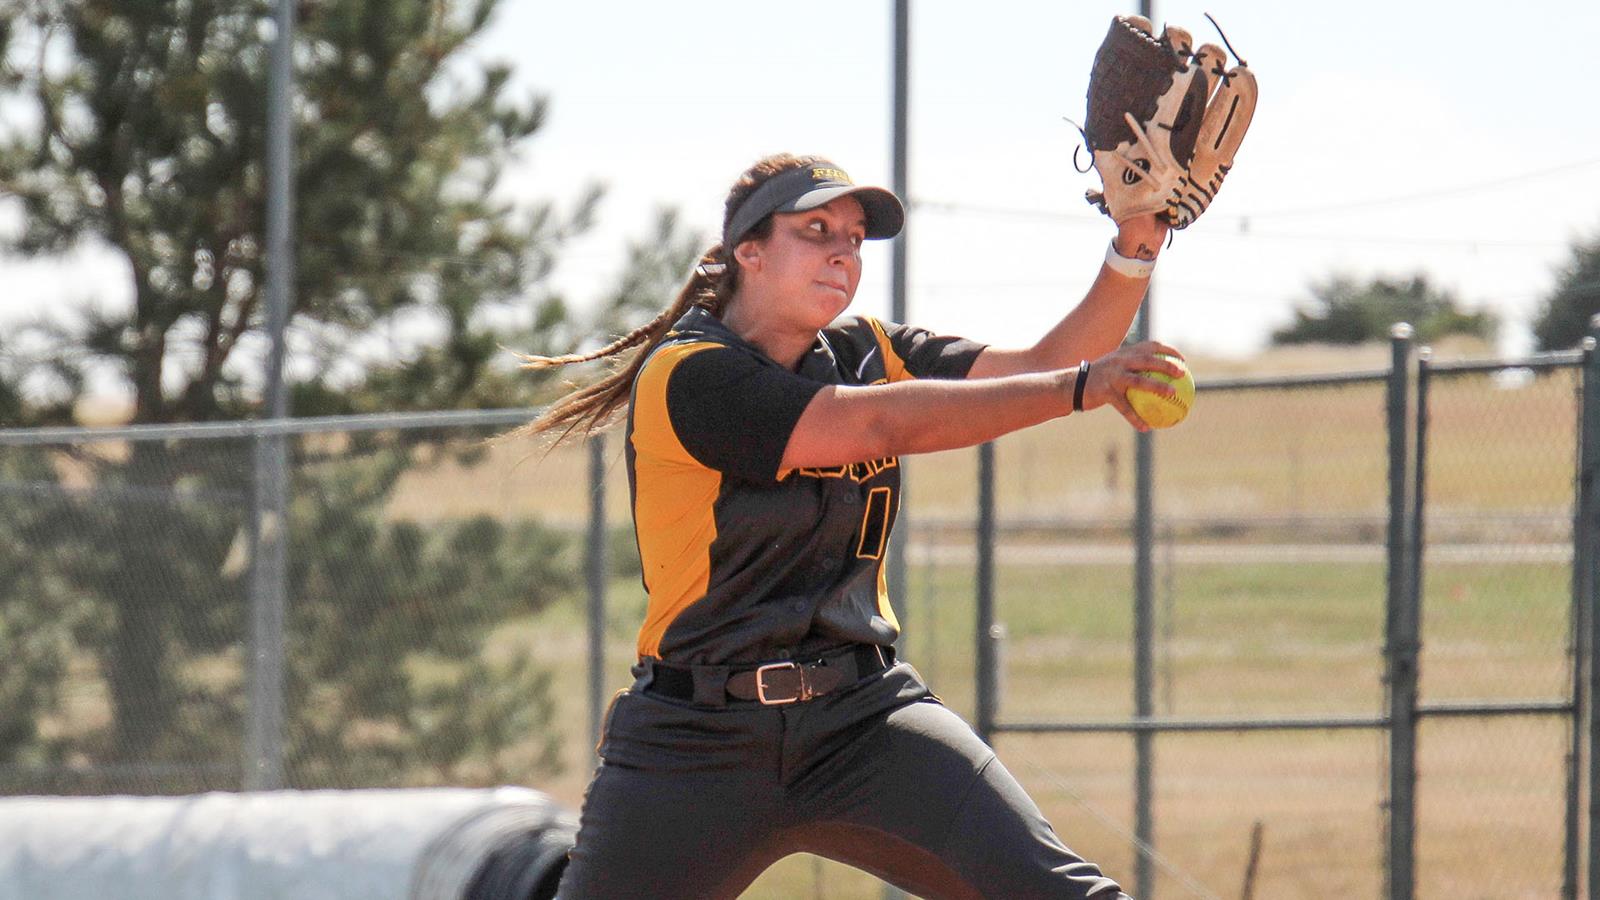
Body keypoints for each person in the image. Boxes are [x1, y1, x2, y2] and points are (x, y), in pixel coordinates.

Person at [517, 153, 1180, 899]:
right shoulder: (691, 374)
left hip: (862, 720)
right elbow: (869, 425)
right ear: (749, 250)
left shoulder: (871, 350)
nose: (844, 250)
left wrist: (1136, 247)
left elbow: (1046, 362)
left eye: (857, 238)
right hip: (696, 739)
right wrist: (1082, 388)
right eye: (817, 229)